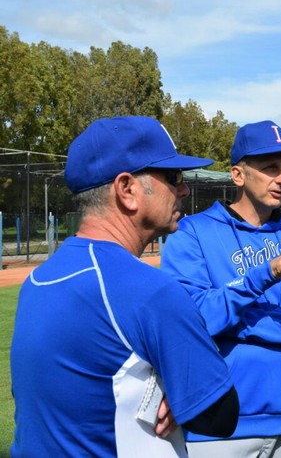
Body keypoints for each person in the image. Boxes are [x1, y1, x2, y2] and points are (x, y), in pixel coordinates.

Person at [10, 116, 240, 457]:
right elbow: (220, 415)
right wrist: (181, 392)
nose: (184, 189)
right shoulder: (150, 291)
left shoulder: (38, 280)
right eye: (172, 177)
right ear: (127, 189)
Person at [160, 119, 281, 458]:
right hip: (217, 427)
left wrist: (231, 322)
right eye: (270, 168)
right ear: (238, 175)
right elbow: (193, 320)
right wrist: (264, 275)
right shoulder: (192, 234)